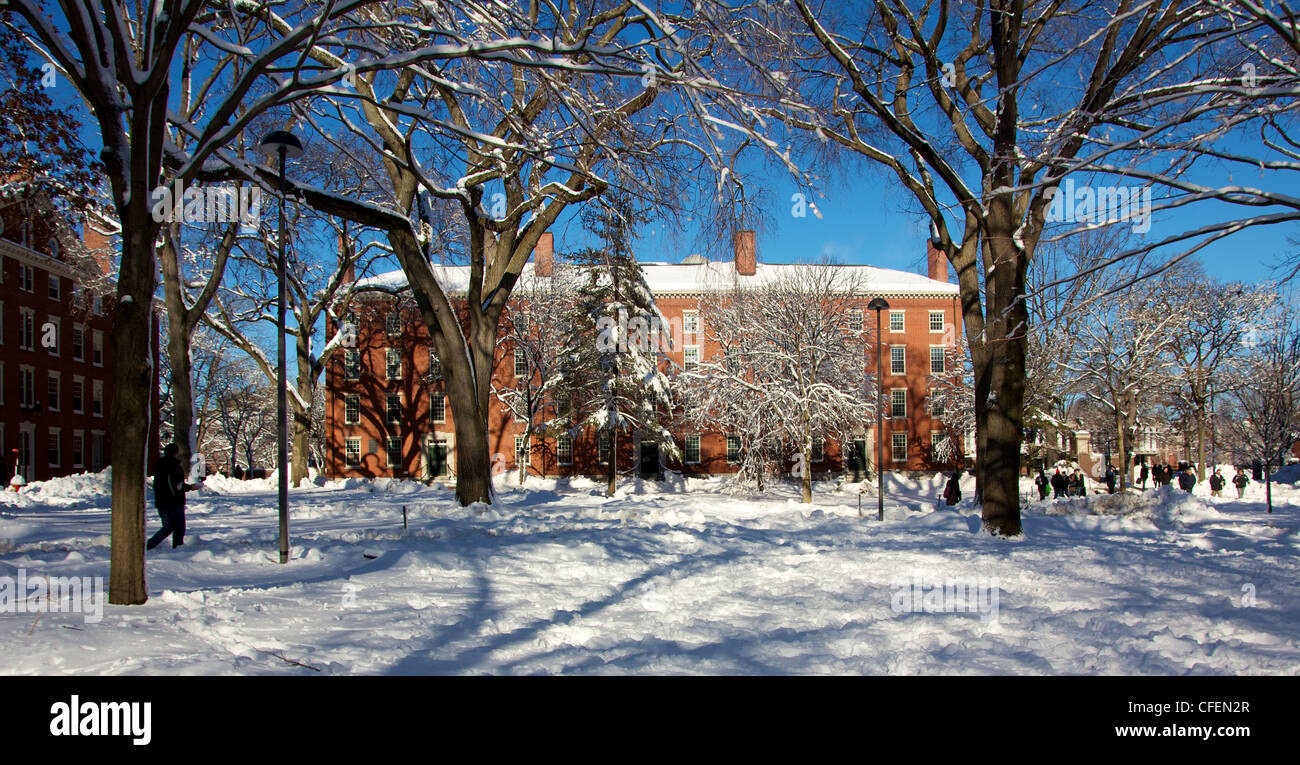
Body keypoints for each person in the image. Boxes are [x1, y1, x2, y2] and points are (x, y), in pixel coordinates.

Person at [148, 444, 193, 550]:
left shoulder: (160, 464)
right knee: (178, 527)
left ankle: (150, 545)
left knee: (168, 527)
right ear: (176, 453)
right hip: (174, 501)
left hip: (161, 500)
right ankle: (177, 547)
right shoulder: (173, 466)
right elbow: (176, 485)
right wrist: (190, 487)